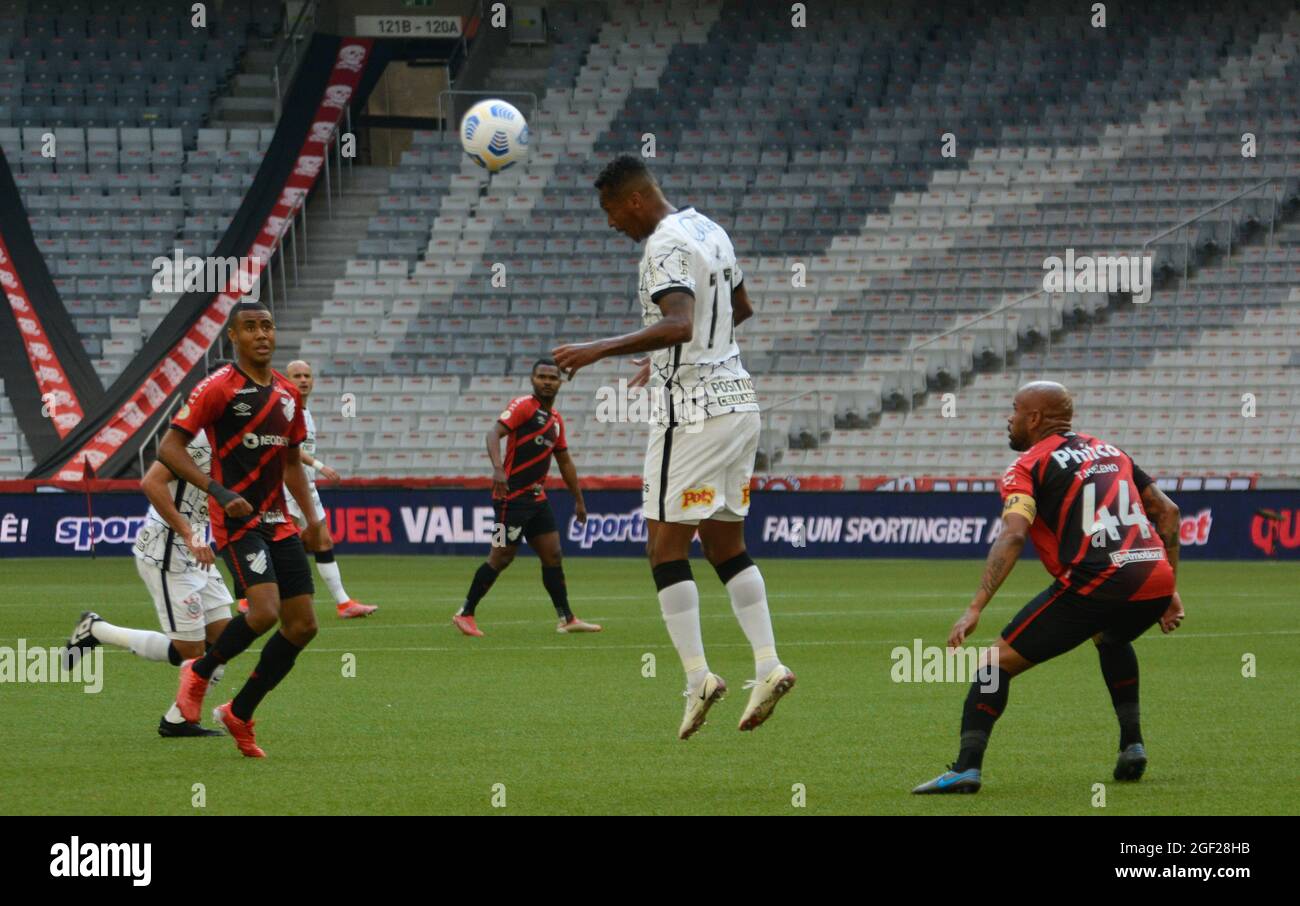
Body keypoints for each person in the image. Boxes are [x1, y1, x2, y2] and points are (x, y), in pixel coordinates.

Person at [553, 155, 794, 740]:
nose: (612, 224)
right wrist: (667, 355)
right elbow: (740, 309)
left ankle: (698, 678)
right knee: (723, 540)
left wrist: (595, 349)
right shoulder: (710, 229)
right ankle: (767, 664)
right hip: (739, 402)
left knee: (663, 548)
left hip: (691, 412)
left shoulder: (662, 243)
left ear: (633, 199)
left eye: (611, 211)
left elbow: (681, 323)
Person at [912, 381, 1185, 794]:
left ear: (1035, 418)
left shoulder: (1027, 466)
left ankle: (966, 769)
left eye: (1015, 409)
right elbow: (1168, 511)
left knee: (993, 664)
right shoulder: (1111, 451)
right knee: (1109, 637)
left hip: (1099, 581)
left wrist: (975, 606)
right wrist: (1170, 588)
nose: (1009, 418)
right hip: (1152, 577)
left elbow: (1013, 536)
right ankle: (1132, 743)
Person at [159, 301, 329, 758]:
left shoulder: (288, 395)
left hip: (279, 521)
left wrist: (313, 520)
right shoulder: (218, 388)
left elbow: (291, 462)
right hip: (237, 522)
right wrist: (216, 490)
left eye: (267, 326)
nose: (261, 334)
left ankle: (240, 711)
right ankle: (199, 672)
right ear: (233, 336)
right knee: (264, 612)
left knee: (304, 625)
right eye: (250, 327)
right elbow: (169, 449)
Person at [62, 428, 230, 737]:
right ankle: (97, 630)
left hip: (197, 551)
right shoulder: (200, 439)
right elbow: (151, 482)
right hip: (167, 551)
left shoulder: (243, 433)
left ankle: (177, 719)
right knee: (190, 653)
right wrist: (190, 534)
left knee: (225, 638)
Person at [453, 358, 602, 636]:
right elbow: (493, 433)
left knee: (553, 554)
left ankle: (567, 618)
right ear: (533, 380)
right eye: (541, 377)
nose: (547, 381)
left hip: (536, 500)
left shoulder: (556, 421)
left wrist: (579, 500)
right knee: (500, 556)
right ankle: (466, 613)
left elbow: (565, 462)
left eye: (552, 377)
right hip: (509, 500)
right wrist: (498, 469)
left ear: (560, 383)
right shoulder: (523, 406)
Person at [235, 359, 376, 619]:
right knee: (271, 540)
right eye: (296, 376)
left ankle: (344, 603)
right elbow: (288, 448)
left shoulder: (304, 410)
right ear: (285, 380)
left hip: (304, 485)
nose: (302, 380)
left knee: (321, 539)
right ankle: (247, 596)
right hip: (283, 485)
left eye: (307, 375)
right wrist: (320, 465)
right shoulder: (281, 407)